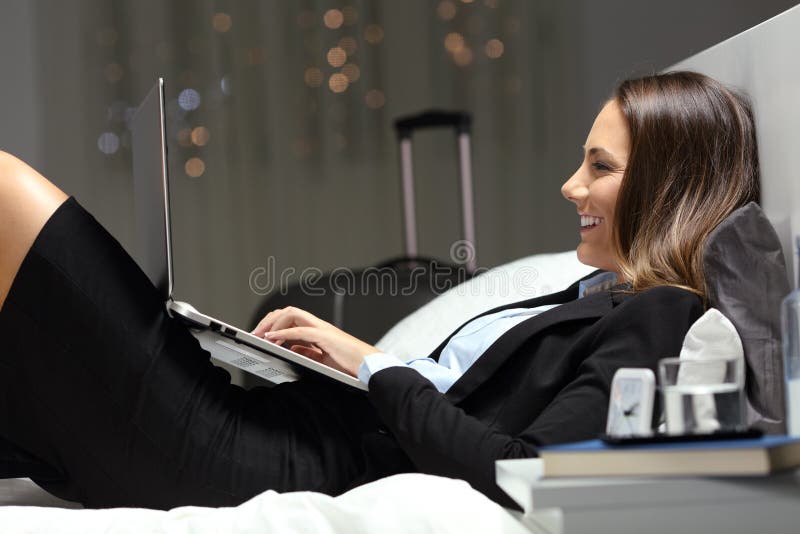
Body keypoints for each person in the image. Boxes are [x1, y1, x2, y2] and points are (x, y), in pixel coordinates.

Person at [0, 71, 759, 510]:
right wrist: (343, 359)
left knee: (10, 191)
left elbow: (522, 468)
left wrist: (373, 367)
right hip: (273, 425)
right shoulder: (592, 291)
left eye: (599, 166)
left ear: (668, 185)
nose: (570, 186)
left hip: (266, 461)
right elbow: (464, 393)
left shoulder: (662, 314)